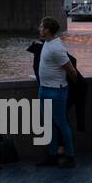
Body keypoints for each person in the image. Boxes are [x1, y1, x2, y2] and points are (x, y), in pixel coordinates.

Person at [35, 17, 76, 168]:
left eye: (41, 26)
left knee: (61, 123)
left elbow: (71, 70)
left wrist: (68, 85)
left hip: (56, 91)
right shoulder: (47, 43)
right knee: (49, 124)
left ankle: (70, 156)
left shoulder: (56, 48)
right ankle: (52, 155)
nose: (39, 29)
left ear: (47, 30)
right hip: (44, 89)